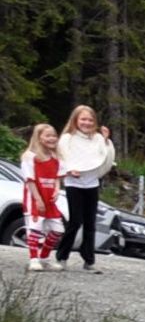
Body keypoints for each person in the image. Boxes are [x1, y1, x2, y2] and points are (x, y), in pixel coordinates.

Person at [53, 106, 116, 272]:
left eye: (90, 120)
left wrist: (106, 141)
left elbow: (105, 158)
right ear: (75, 120)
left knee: (90, 223)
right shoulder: (67, 138)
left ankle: (89, 259)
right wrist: (69, 170)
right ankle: (62, 257)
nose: (86, 123)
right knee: (75, 221)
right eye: (83, 119)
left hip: (92, 184)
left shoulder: (97, 139)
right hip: (74, 184)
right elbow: (61, 158)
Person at [20, 124, 65, 270]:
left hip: (49, 198)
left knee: (57, 229)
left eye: (54, 135)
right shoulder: (30, 157)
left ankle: (44, 257)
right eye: (48, 136)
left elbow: (57, 177)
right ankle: (34, 259)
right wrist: (38, 199)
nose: (52, 138)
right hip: (35, 197)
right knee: (35, 227)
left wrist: (56, 190)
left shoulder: (56, 157)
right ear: (39, 138)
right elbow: (30, 180)